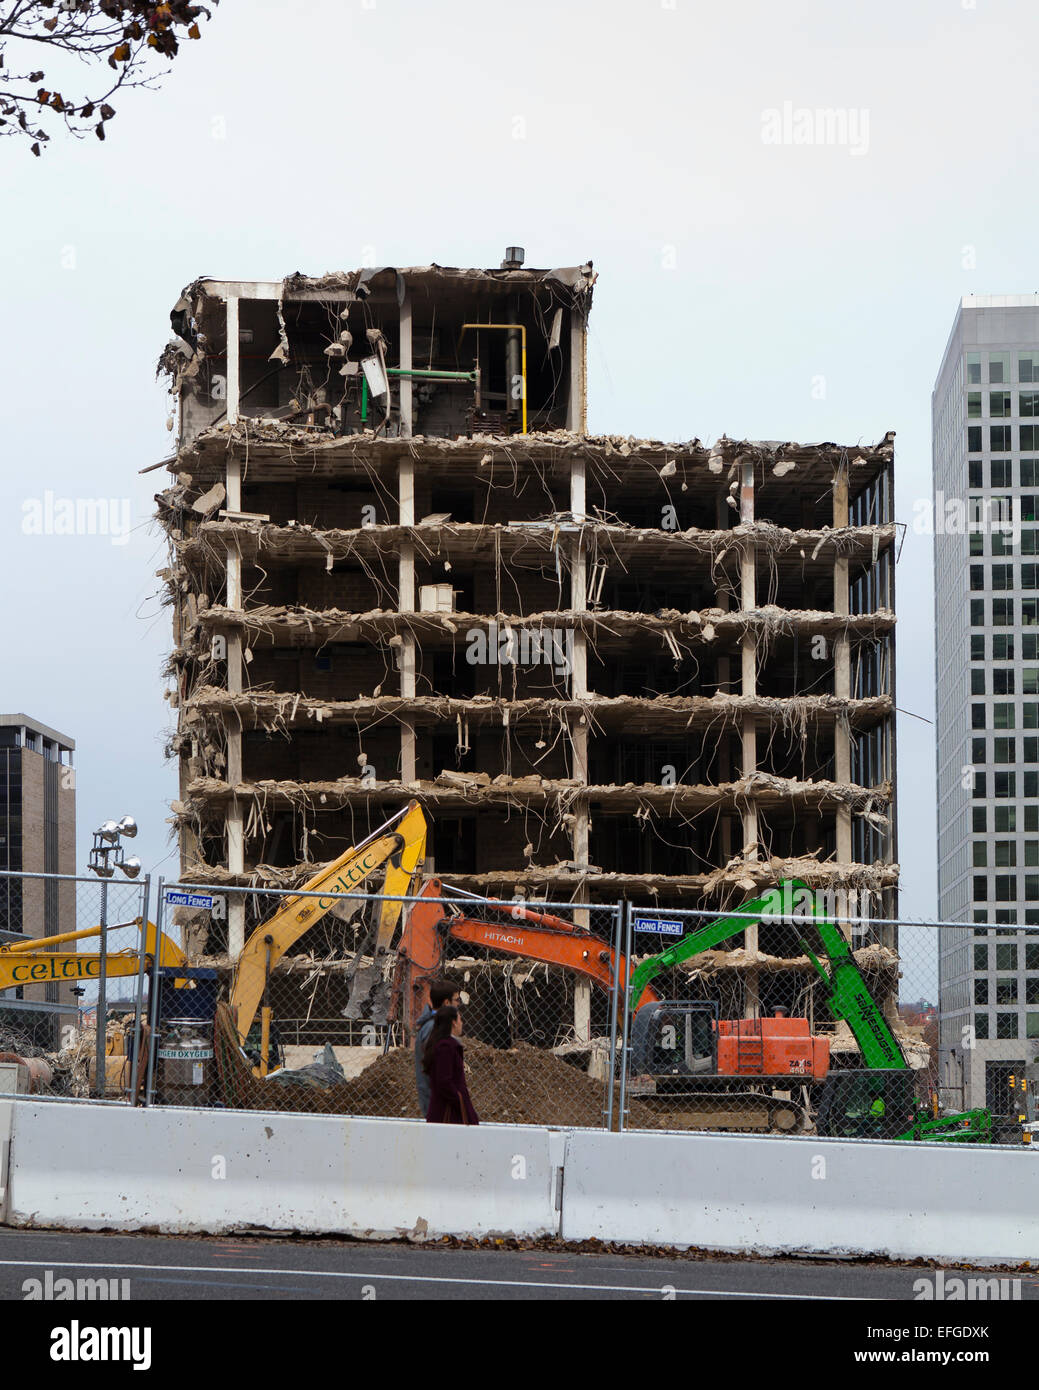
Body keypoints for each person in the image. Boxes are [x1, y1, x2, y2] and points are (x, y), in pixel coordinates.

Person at [423, 1005, 479, 1125]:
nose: (462, 1023)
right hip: (449, 1115)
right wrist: (460, 1100)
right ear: (454, 1023)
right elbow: (444, 1082)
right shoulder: (446, 1047)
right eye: (460, 1019)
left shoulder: (443, 1045)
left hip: (444, 1112)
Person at [414, 979, 460, 1118]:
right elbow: (440, 1073)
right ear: (446, 1003)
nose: (459, 1004)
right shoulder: (433, 1029)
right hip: (436, 1102)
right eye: (456, 1000)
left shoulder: (432, 1026)